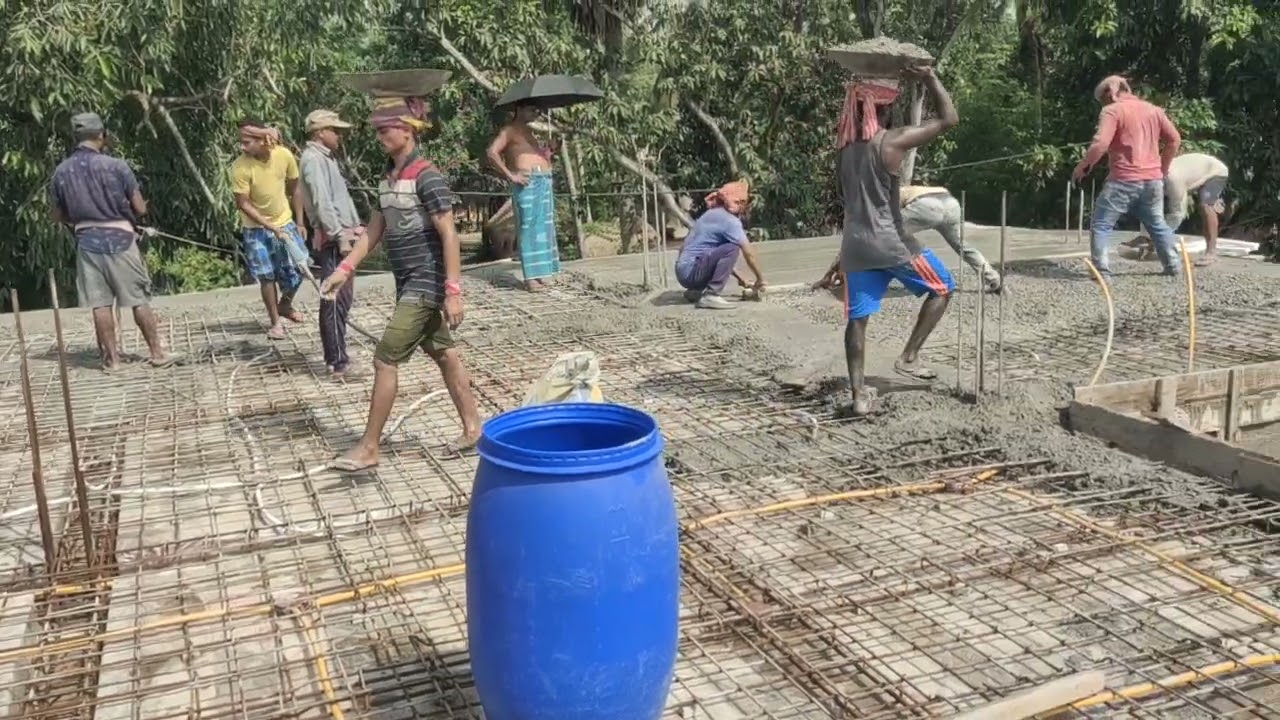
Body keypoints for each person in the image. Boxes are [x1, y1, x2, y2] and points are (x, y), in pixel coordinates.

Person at [319, 85, 482, 472]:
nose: (379, 136)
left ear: (408, 129)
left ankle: (370, 447)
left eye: (385, 129)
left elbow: (449, 235)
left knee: (384, 359)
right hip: (406, 282)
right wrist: (344, 270)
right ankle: (474, 427)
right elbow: (374, 231)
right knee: (444, 353)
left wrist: (453, 291)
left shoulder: (428, 177)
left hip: (426, 284)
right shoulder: (388, 176)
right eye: (376, 130)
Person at [835, 67, 959, 416]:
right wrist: (931, 77)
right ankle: (909, 356)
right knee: (943, 287)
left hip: (855, 247)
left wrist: (839, 258)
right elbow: (949, 118)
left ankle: (859, 395)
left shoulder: (843, 151)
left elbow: (851, 205)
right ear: (883, 108)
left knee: (857, 320)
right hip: (892, 243)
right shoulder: (891, 141)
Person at [49, 112, 177, 372]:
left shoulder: (61, 172)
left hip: (87, 242)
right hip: (121, 239)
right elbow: (139, 208)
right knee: (138, 298)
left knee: (100, 303)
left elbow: (58, 214)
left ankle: (111, 361)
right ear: (101, 136)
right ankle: (157, 353)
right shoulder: (117, 166)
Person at [1072, 75, 1182, 277]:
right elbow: (1174, 140)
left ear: (1109, 94)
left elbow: (1100, 144)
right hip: (1152, 181)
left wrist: (1083, 166)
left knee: (1102, 224)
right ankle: (1173, 266)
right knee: (1157, 224)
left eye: (1101, 100)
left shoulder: (1112, 110)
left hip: (1123, 180)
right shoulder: (1154, 110)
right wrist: (1161, 170)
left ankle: (1101, 271)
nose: (1102, 105)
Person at [816, 184, 1002, 293]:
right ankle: (994, 280)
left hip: (926, 206)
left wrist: (831, 271)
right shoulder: (897, 190)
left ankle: (858, 276)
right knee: (962, 246)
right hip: (951, 203)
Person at [230, 119, 309, 340]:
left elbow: (296, 189)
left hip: (285, 222)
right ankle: (275, 322)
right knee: (267, 276)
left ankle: (285, 304)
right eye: (241, 142)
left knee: (301, 268)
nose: (242, 147)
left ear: (264, 141)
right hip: (256, 229)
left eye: (247, 142)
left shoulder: (284, 155)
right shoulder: (240, 167)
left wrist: (300, 222)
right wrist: (270, 227)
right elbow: (243, 203)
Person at [299, 109, 363, 376]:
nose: (339, 136)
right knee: (334, 298)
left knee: (341, 298)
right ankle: (337, 361)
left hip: (342, 235)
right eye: (334, 130)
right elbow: (322, 203)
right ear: (319, 132)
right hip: (335, 239)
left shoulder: (324, 159)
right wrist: (339, 237)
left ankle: (337, 355)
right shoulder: (313, 160)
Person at [486, 103, 560, 291]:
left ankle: (539, 273)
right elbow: (492, 153)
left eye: (537, 110)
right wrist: (511, 175)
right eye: (532, 109)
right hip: (527, 183)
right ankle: (530, 278)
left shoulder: (529, 132)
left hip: (543, 181)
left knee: (543, 230)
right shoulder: (509, 131)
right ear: (519, 109)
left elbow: (537, 157)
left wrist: (549, 151)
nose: (536, 113)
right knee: (528, 228)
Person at [1127, 152, 1230, 267]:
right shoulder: (1147, 179)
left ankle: (1211, 253)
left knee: (1205, 205)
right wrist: (1145, 235)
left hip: (1214, 171)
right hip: (1193, 172)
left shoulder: (1173, 180)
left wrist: (1158, 236)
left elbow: (1178, 213)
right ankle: (1148, 243)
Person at [673, 181, 765, 309]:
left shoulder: (710, 215)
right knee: (732, 248)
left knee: (724, 248)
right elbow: (749, 253)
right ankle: (711, 295)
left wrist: (741, 278)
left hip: (683, 273)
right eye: (743, 203)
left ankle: (696, 291)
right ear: (738, 203)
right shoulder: (730, 221)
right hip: (692, 272)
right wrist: (760, 279)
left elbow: (714, 256)